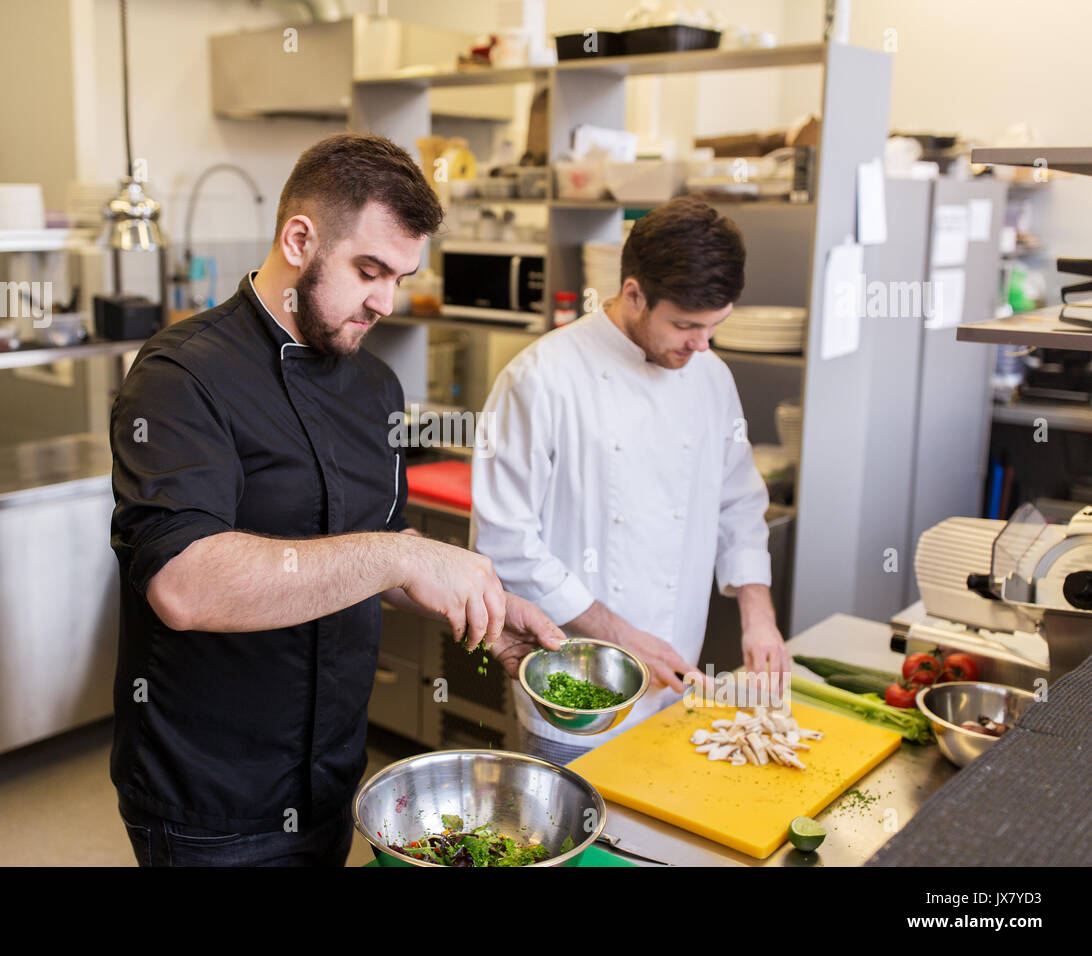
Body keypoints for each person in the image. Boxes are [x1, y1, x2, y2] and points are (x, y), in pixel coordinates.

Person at [108, 132, 564, 866]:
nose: (386, 300)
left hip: (331, 780)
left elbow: (377, 557)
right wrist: (398, 553)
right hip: (212, 799)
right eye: (369, 270)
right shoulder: (179, 377)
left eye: (402, 275)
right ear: (299, 238)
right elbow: (183, 584)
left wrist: (479, 606)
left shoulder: (374, 385)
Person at [471, 197, 786, 765]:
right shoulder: (540, 379)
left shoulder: (711, 377)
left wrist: (758, 616)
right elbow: (504, 545)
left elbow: (738, 502)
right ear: (634, 294)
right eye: (686, 325)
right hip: (577, 698)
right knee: (582, 847)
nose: (701, 345)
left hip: (675, 682)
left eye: (715, 326)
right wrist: (619, 633)